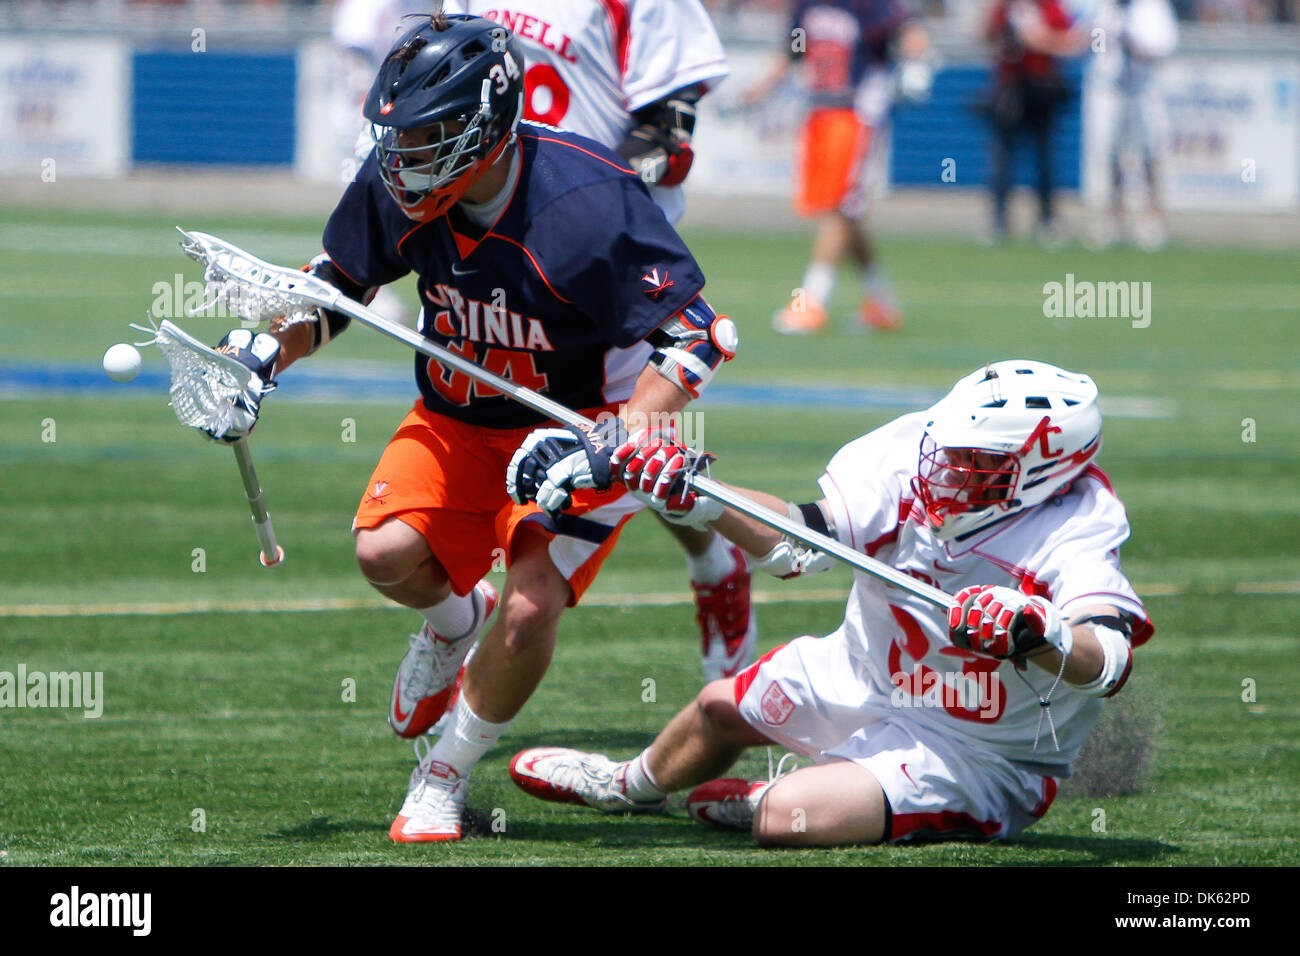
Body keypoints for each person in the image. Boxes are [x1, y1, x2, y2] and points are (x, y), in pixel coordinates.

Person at [209, 13, 737, 842]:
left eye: (428, 136)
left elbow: (703, 336)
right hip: (459, 415)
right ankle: (455, 621)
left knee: (529, 609)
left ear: (484, 127)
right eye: (399, 135)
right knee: (383, 554)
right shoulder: (400, 186)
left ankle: (444, 777)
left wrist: (619, 436)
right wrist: (262, 355)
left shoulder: (590, 202)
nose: (404, 157)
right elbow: (338, 289)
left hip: (579, 425)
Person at [509, 360, 1155, 847]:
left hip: (976, 751)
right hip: (866, 671)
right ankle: (627, 786)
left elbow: (1110, 661)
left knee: (782, 820)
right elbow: (799, 543)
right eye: (946, 452)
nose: (942, 473)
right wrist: (701, 500)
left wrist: (1041, 631)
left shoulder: (1079, 523)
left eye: (974, 464)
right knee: (716, 708)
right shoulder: (910, 453)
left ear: (1043, 469)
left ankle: (779, 791)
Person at [443, 0, 755, 682]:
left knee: (622, 442)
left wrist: (576, 199)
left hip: (598, 254)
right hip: (490, 244)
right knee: (478, 417)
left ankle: (714, 562)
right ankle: (457, 616)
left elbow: (668, 137)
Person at [745, 0, 930, 335]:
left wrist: (914, 56)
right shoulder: (808, 6)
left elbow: (907, 32)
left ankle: (812, 302)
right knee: (845, 211)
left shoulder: (867, 5)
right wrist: (758, 89)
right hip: (822, 109)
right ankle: (881, 303)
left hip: (858, 109)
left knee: (840, 205)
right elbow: (793, 49)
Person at [981, 0, 1088, 246]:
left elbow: (1073, 42)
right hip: (1010, 88)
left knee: (1044, 158)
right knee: (1002, 158)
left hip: (1041, 87)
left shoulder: (1049, 5)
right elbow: (986, 38)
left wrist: (1037, 39)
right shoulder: (1006, 6)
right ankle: (999, 219)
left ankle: (1047, 220)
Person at [1087, 0, 1178, 250]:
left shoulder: (1153, 7)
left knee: (1149, 153)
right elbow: (1093, 42)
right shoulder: (1105, 7)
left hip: (1142, 88)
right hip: (1109, 88)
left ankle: (1152, 219)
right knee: (1108, 153)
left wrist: (1136, 46)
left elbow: (1164, 46)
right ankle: (1113, 217)